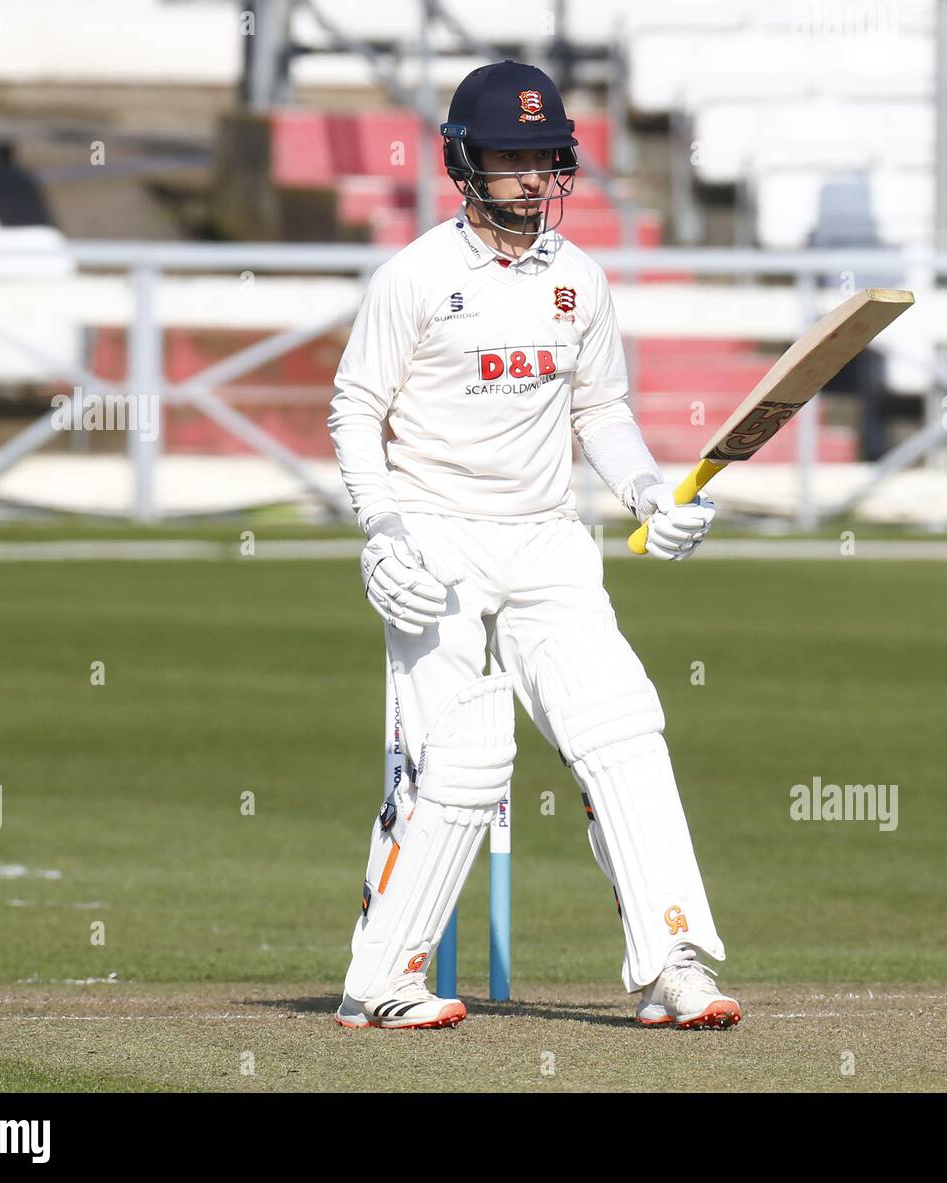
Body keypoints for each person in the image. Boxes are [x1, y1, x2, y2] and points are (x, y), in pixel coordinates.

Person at [328, 60, 739, 1031]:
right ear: (465, 164)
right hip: (437, 539)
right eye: (509, 157)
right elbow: (355, 409)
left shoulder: (578, 280)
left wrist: (648, 490)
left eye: (543, 157)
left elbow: (601, 409)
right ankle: (380, 979)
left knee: (623, 733)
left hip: (549, 540)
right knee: (464, 757)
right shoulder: (416, 277)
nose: (528, 177)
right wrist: (381, 530)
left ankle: (672, 962)